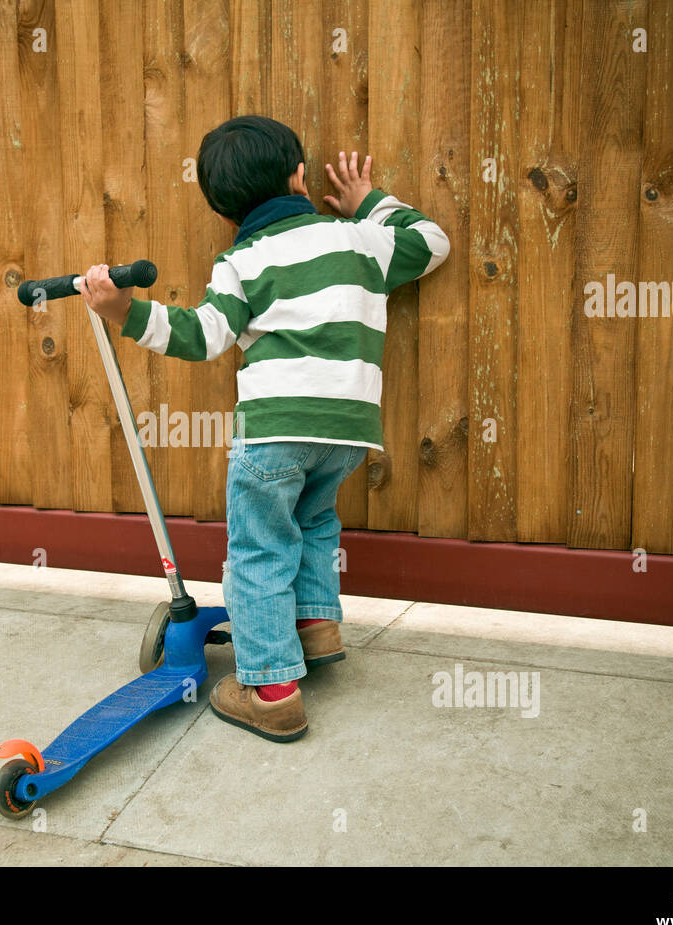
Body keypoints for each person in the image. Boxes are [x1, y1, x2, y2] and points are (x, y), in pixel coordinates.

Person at [80, 114, 450, 742]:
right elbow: (433, 242)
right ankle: (315, 626)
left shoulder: (241, 261)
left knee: (258, 548)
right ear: (300, 175)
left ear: (224, 210)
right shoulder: (359, 240)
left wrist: (123, 309)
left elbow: (200, 337)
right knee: (312, 522)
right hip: (347, 432)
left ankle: (271, 689)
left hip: (276, 430)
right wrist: (372, 203)